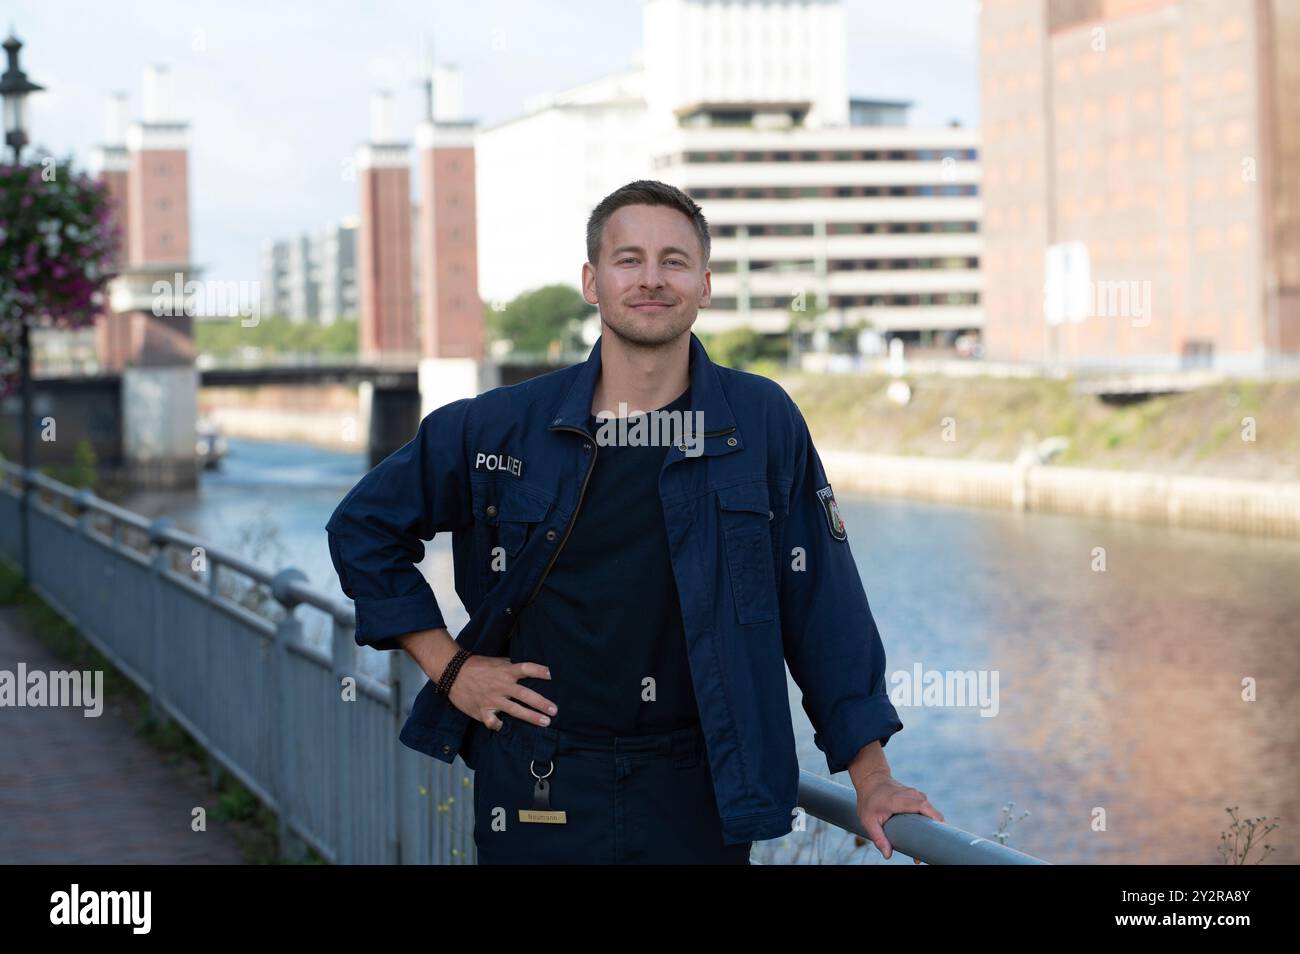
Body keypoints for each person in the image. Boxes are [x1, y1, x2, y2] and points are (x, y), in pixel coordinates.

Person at [325, 179, 944, 864]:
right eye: (629, 260)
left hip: (701, 789)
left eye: (674, 261)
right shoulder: (498, 427)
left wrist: (873, 779)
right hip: (539, 782)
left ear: (704, 285)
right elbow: (363, 528)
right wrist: (450, 667)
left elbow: (823, 605)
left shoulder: (761, 422)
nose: (652, 279)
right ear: (592, 282)